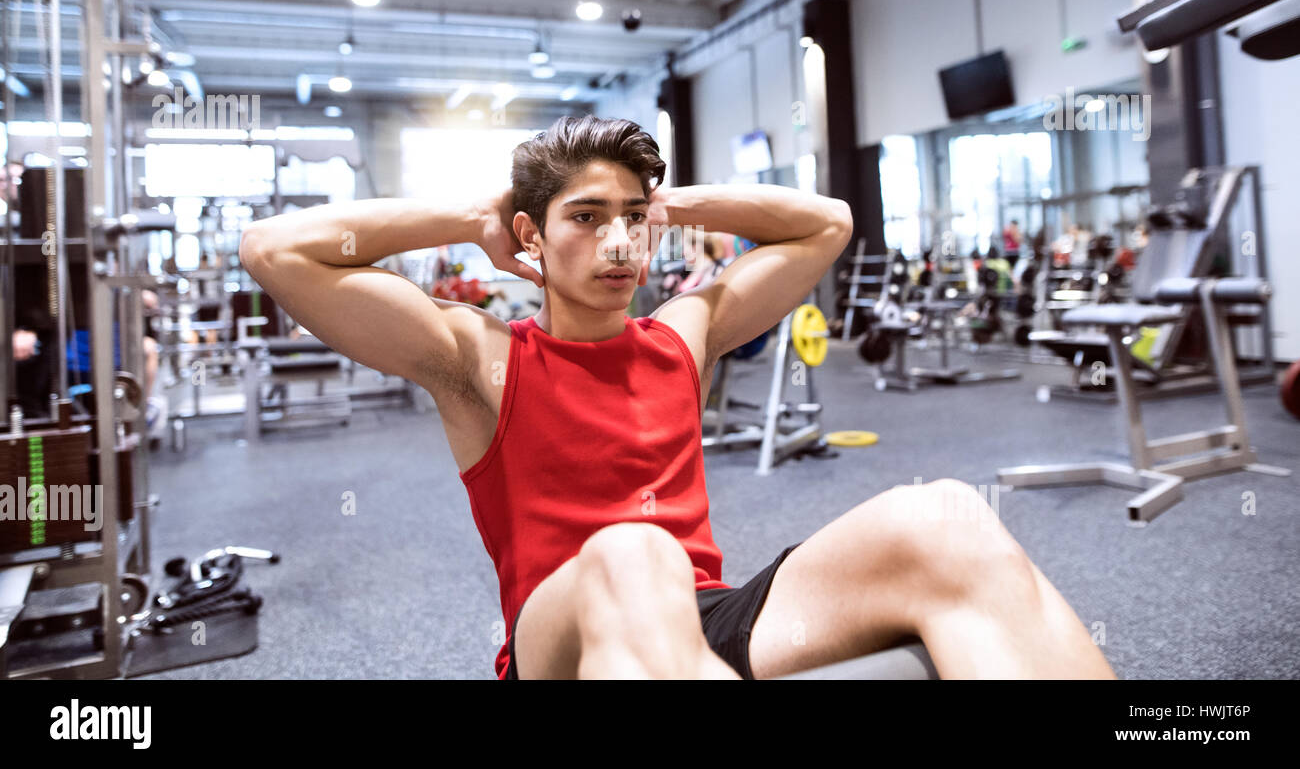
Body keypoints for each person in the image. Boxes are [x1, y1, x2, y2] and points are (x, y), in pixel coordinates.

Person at [239, 115, 1115, 681]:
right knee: (635, 551)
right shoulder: (477, 357)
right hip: (562, 638)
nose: (617, 242)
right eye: (584, 218)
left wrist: (668, 201)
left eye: (632, 219)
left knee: (950, 516)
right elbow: (275, 250)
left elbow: (830, 223)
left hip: (705, 623)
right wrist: (467, 220)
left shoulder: (678, 336)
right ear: (528, 237)